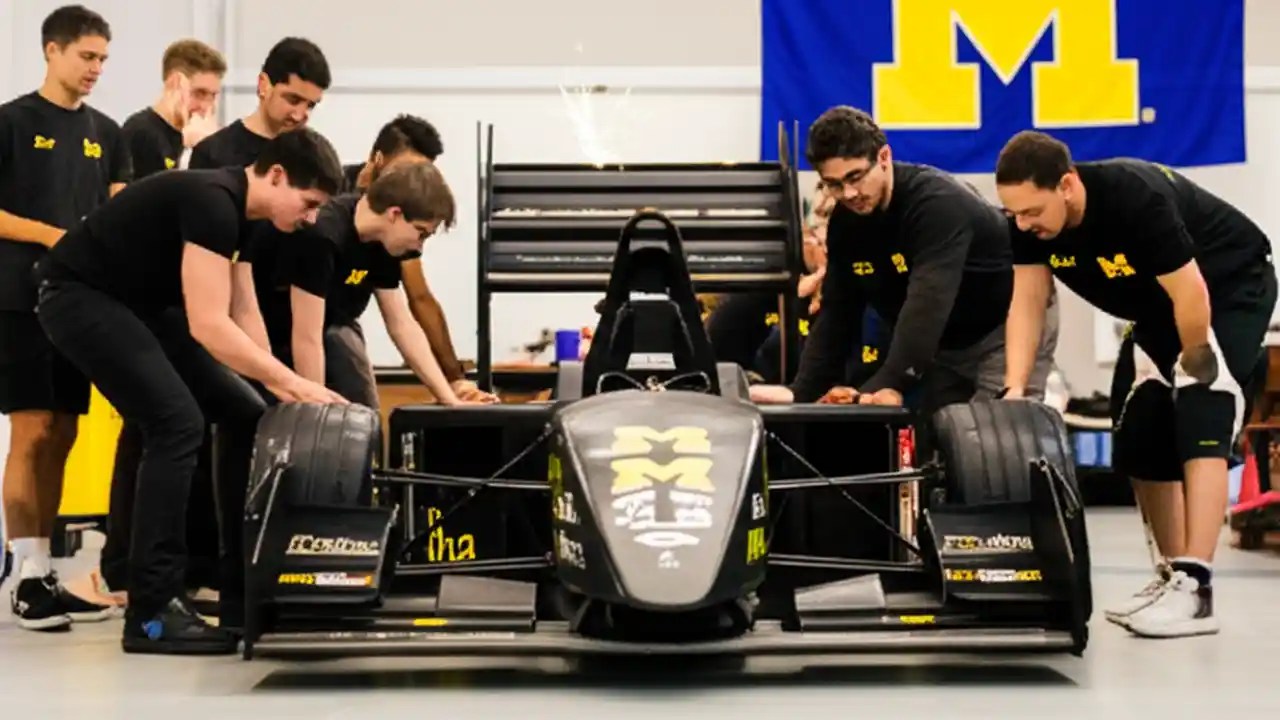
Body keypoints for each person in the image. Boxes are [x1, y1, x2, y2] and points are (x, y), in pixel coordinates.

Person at [35, 127, 348, 655]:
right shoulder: (212, 201)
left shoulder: (246, 216)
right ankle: (151, 609)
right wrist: (291, 381)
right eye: (310, 203)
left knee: (247, 412)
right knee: (176, 423)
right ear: (276, 176)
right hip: (76, 295)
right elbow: (207, 324)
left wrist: (280, 389)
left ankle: (239, 586)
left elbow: (242, 310)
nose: (312, 218)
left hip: (140, 306)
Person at [995, 130, 1278, 638]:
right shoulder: (1027, 225)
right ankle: (1172, 578)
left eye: (1032, 211)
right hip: (1159, 306)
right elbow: (1028, 301)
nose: (1022, 223)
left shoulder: (1134, 198)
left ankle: (1197, 589)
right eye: (1013, 213)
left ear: (1067, 186)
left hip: (1227, 286)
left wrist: (1197, 363)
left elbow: (1192, 290)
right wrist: (1015, 385)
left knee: (1202, 411)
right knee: (1138, 426)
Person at [749, 105, 1058, 418]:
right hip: (942, 345)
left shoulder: (936, 205)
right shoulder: (846, 223)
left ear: (884, 158)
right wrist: (801, 391)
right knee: (938, 437)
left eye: (856, 176)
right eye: (835, 184)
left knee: (995, 434)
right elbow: (838, 311)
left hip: (1003, 332)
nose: (850, 193)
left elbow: (927, 303)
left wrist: (889, 382)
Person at [0, 4, 131, 631]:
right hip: (16, 299)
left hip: (79, 306)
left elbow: (116, 213)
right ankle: (24, 574)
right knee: (33, 429)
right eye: (86, 56)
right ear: (52, 51)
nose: (96, 68)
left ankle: (46, 567)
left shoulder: (108, 132)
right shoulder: (11, 122)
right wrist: (53, 235)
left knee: (66, 434)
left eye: (103, 58)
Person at [256, 161, 480, 409]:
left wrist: (448, 398)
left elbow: (402, 324)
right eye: (421, 233)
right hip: (266, 334)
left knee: (363, 413)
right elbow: (306, 336)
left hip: (327, 327)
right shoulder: (323, 234)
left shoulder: (384, 244)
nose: (418, 247)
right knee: (304, 413)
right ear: (394, 214)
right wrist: (315, 410)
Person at [336, 114, 496, 403]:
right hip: (290, 314)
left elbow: (416, 300)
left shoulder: (402, 227)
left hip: (340, 318)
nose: (413, 182)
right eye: (406, 170)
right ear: (378, 159)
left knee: (361, 402)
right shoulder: (329, 198)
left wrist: (455, 381)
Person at [189, 36, 329, 170]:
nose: (299, 116)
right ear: (264, 85)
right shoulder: (212, 154)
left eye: (311, 105)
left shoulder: (316, 158)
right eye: (293, 100)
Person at [120, 39, 226, 180]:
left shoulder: (197, 135)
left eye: (213, 96)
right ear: (175, 83)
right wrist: (193, 151)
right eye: (199, 93)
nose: (206, 106)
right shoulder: (141, 134)